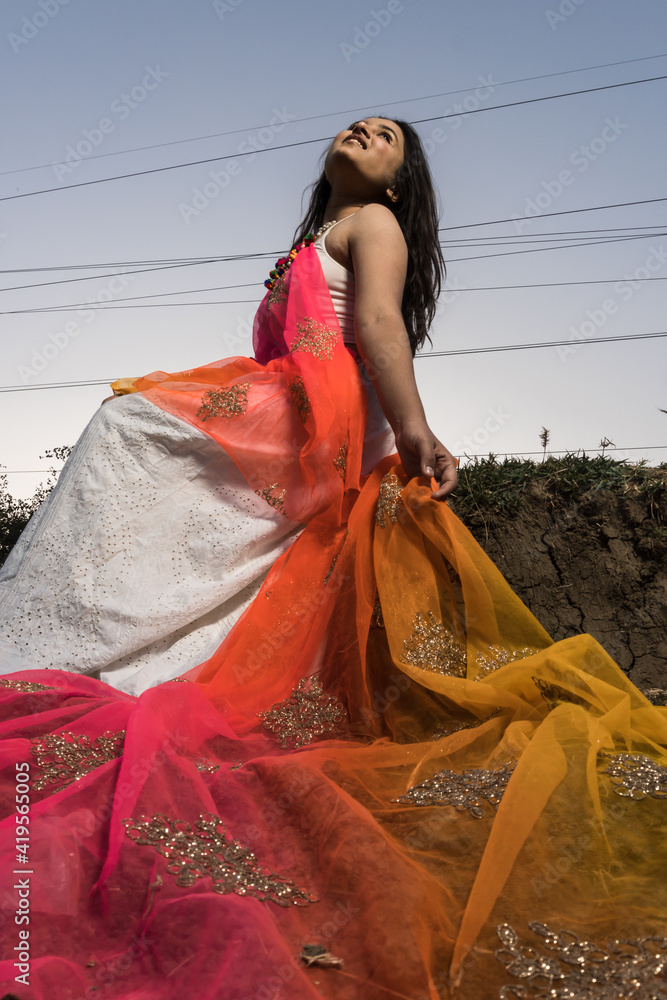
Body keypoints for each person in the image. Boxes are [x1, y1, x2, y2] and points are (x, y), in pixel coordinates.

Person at [0, 117, 665, 1000]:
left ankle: (86, 642)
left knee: (127, 428)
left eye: (386, 135)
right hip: (298, 410)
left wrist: (418, 428)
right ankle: (126, 651)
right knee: (190, 507)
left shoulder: (373, 225)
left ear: (397, 182)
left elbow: (380, 323)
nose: (364, 128)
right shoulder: (315, 237)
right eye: (360, 122)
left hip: (323, 422)